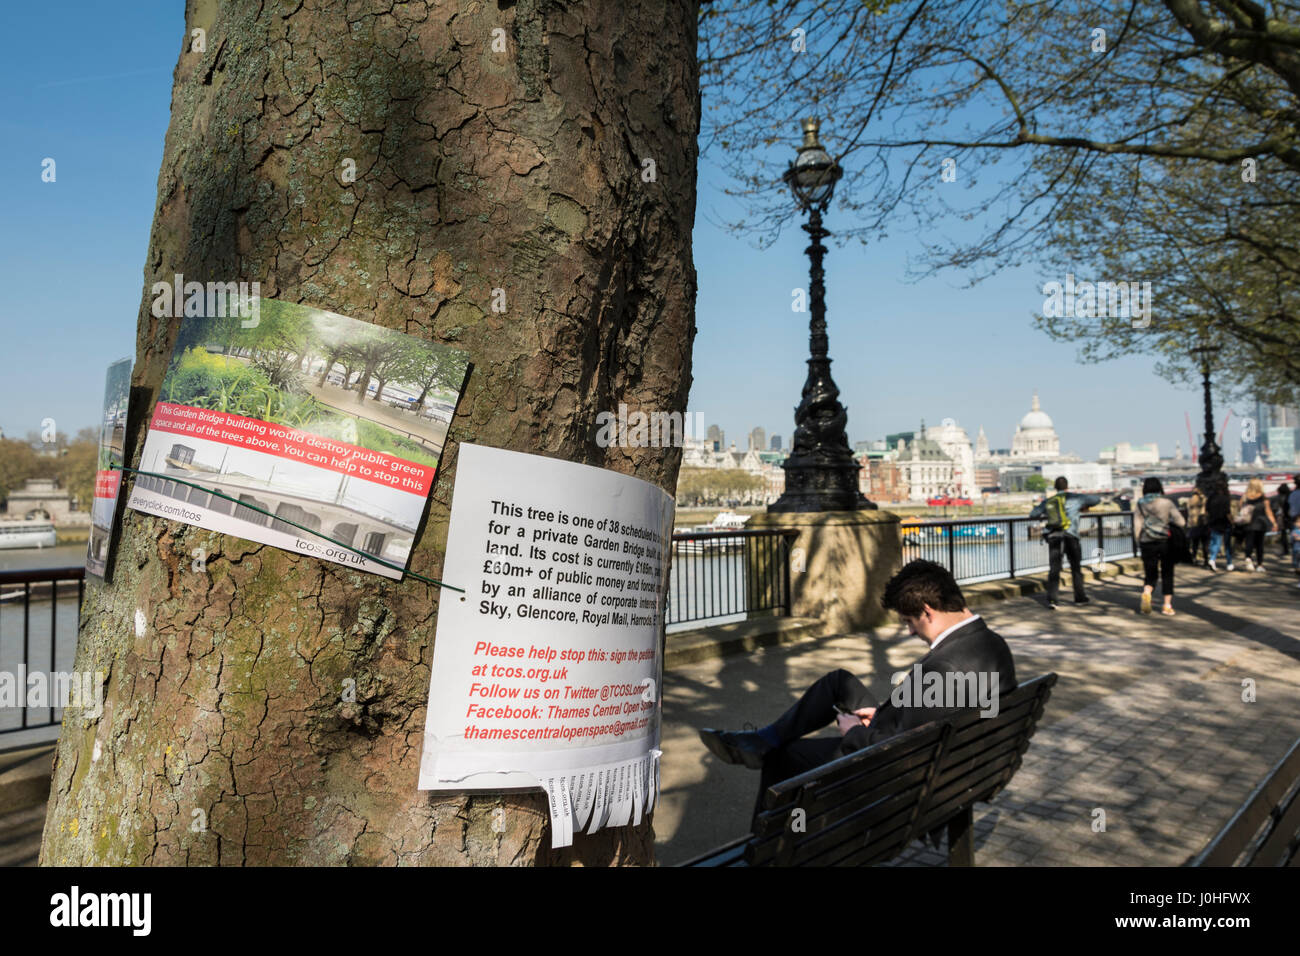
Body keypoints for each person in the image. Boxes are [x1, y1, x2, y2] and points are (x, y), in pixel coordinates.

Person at [697, 560, 1017, 817]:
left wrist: (854, 732)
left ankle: (771, 850)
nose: (909, 632)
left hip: (910, 773)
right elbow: (931, 715)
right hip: (957, 760)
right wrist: (880, 716)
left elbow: (898, 748)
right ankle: (762, 739)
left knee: (785, 758)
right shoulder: (991, 643)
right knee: (840, 682)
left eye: (909, 621)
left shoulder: (943, 667)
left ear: (928, 611)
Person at [1027, 476, 1102, 609]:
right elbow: (1097, 499)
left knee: (1054, 569)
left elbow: (1033, 514)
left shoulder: (1050, 500)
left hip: (1054, 536)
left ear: (1055, 487)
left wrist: (1047, 514)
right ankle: (1079, 597)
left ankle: (1053, 600)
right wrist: (1083, 505)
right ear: (1067, 486)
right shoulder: (1076, 498)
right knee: (1076, 568)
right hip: (1071, 536)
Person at [1133, 477, 1186, 615]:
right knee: (1167, 573)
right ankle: (1167, 605)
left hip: (1146, 542)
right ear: (1159, 487)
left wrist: (1138, 541)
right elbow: (1181, 522)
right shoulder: (1166, 502)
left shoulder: (1140, 504)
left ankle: (1147, 592)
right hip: (1165, 542)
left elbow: (1137, 525)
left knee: (1150, 573)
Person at [1237, 477, 1277, 572]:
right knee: (1260, 545)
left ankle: (1248, 558)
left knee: (1249, 543)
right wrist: (1274, 523)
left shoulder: (1244, 497)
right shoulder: (1264, 498)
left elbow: (1240, 510)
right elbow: (1269, 512)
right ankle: (1260, 564)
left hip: (1248, 524)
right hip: (1260, 524)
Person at [1206, 476, 1235, 571]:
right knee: (1227, 544)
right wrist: (1232, 522)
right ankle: (1229, 563)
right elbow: (1228, 512)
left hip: (1214, 522)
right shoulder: (1226, 498)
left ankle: (1212, 559)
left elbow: (1207, 511)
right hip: (1224, 522)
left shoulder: (1211, 498)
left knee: (1215, 542)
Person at [1185, 487, 1209, 565]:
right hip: (1202, 523)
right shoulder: (1203, 500)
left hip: (1193, 524)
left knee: (1195, 543)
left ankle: (1194, 558)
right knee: (1205, 543)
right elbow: (1205, 510)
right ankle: (1206, 560)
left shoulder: (1189, 501)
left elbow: (1188, 512)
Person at [1274, 483, 1292, 561]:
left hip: (1282, 517)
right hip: (1292, 517)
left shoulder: (1279, 497)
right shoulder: (1290, 496)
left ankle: (1286, 549)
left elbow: (1275, 507)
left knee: (1283, 534)